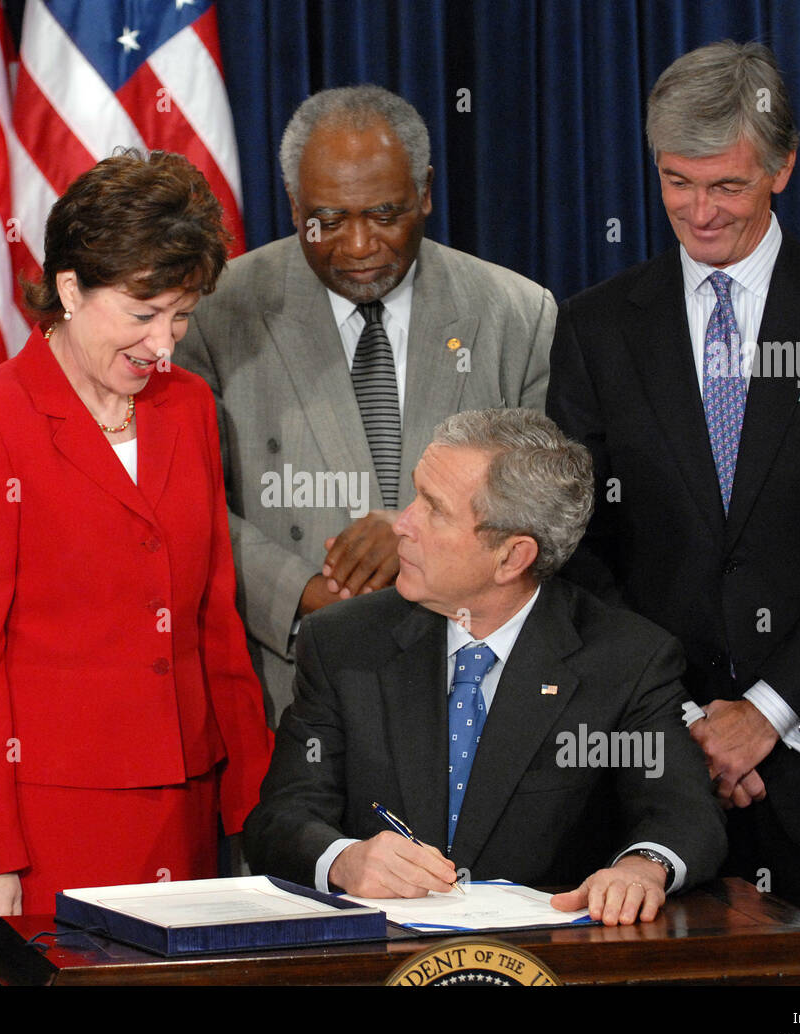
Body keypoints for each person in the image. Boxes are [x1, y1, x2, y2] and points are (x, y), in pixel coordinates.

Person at [547, 41, 800, 982]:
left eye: (725, 185)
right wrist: (686, 714)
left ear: (783, 167)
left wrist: (766, 711)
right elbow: (580, 548)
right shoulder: (600, 326)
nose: (698, 211)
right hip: (653, 779)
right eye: (675, 182)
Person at [0, 150, 274, 985]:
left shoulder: (190, 408)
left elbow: (215, 618)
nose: (164, 344)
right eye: (144, 313)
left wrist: (260, 808)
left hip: (187, 810)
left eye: (183, 317)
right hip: (50, 825)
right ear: (72, 287)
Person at [245, 410, 726, 925]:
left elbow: (683, 812)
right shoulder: (344, 641)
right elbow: (281, 817)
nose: (401, 524)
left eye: (434, 509)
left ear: (512, 557)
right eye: (415, 496)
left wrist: (641, 867)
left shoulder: (627, 658)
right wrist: (342, 859)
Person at [177, 85, 557, 725]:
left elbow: (548, 515)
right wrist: (300, 595)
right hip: (284, 694)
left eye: (385, 214)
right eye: (327, 219)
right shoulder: (215, 312)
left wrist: (413, 529)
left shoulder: (517, 315)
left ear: (427, 192)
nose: (357, 246)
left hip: (469, 696)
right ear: (294, 205)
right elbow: (188, 504)